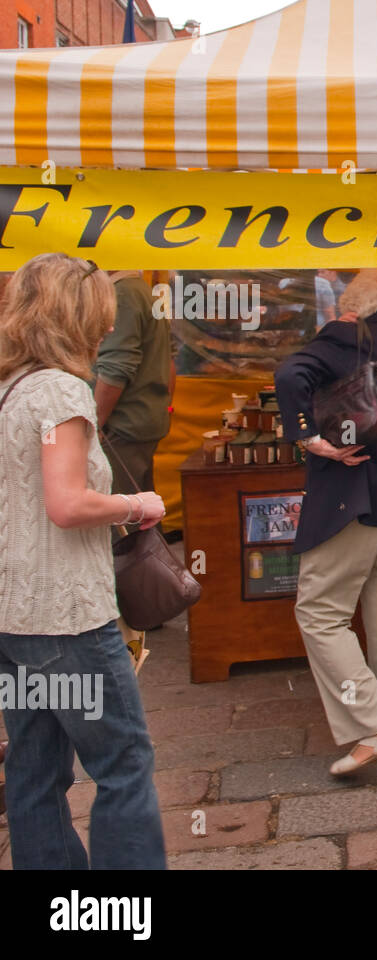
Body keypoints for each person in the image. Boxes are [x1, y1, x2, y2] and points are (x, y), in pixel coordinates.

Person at [0, 253, 167, 868]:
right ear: (77, 317)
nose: (105, 327)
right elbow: (67, 502)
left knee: (35, 766)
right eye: (100, 314)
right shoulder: (62, 392)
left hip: (12, 617)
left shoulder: (8, 388)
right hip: (66, 616)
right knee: (124, 762)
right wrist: (134, 502)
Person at [275, 269, 377, 776]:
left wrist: (307, 438)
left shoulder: (347, 333)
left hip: (357, 491)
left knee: (320, 612)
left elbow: (289, 374)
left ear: (351, 305)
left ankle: (372, 727)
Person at [94, 269, 173, 503]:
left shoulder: (122, 294)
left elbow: (115, 369)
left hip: (121, 426)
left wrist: (94, 424)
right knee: (142, 513)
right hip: (140, 420)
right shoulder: (142, 291)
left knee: (122, 520)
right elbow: (169, 362)